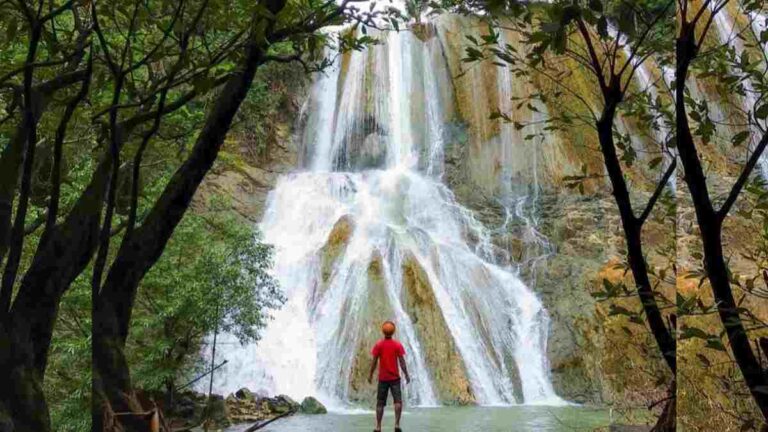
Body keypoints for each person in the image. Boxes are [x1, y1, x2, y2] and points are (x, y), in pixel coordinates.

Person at [368, 320, 410, 432]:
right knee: (398, 401)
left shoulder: (379, 345)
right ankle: (396, 424)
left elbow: (374, 362)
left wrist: (370, 375)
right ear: (393, 331)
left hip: (383, 379)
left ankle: (378, 426)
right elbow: (402, 362)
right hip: (395, 378)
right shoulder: (397, 345)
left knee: (380, 403)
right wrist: (406, 375)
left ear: (383, 331)